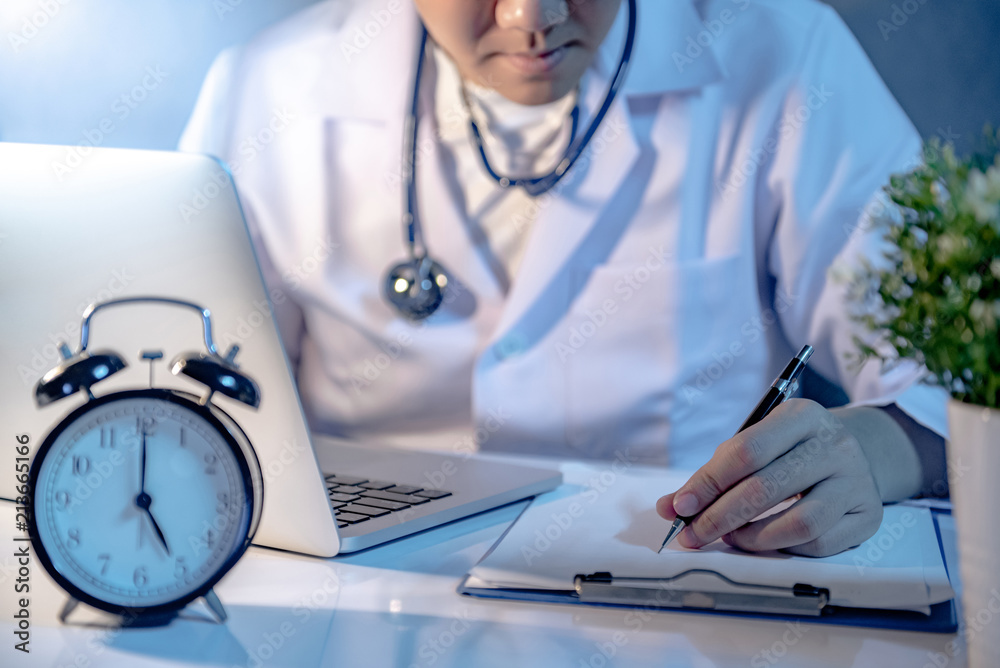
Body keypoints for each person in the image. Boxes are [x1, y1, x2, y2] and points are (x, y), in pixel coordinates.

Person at [179, 0, 949, 557]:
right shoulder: (268, 90)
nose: (531, 19)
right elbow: (184, 391)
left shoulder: (784, 58)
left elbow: (961, 382)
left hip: (675, 583)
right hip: (349, 593)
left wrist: (878, 448)